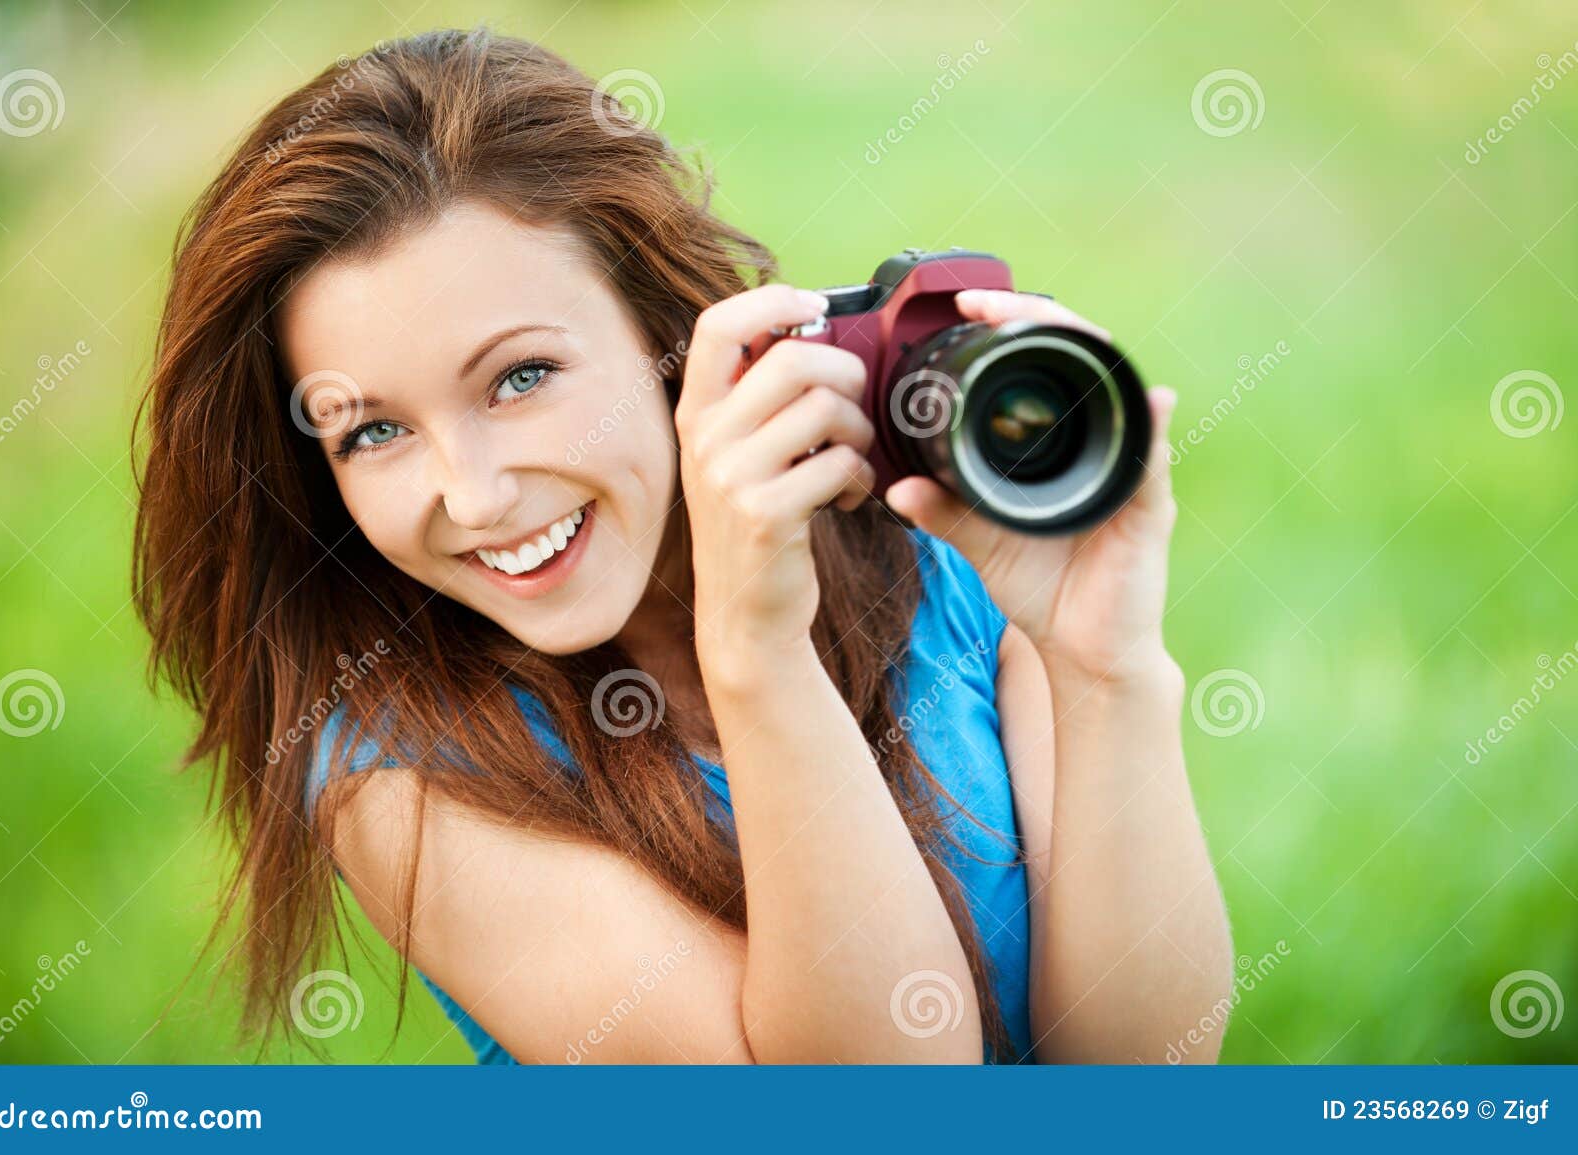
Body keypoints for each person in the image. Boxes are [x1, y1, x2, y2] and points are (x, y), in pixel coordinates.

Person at [133, 28, 1232, 1064]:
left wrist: (1104, 667)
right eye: (373, 431)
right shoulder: (406, 780)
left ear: (668, 338)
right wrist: (757, 656)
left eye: (520, 378)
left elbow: (1142, 1072)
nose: (471, 498)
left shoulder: (933, 554)